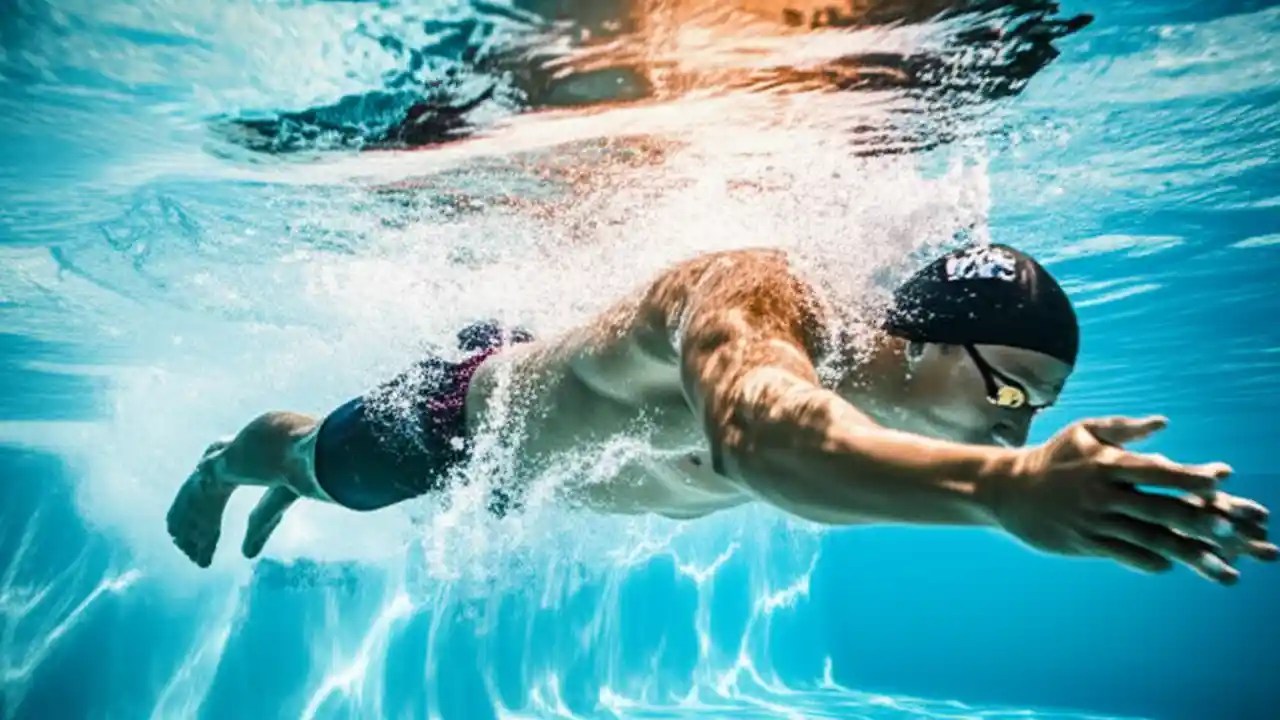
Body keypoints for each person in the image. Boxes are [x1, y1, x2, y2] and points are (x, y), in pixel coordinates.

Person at [166, 244, 1275, 582]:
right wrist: (1008, 492)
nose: (1014, 428)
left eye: (1035, 420)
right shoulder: (758, 300)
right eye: (1007, 390)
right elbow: (760, 433)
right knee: (320, 468)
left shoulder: (882, 443)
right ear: (924, 339)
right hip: (465, 421)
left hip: (543, 468)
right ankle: (234, 465)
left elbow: (820, 464)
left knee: (330, 493)